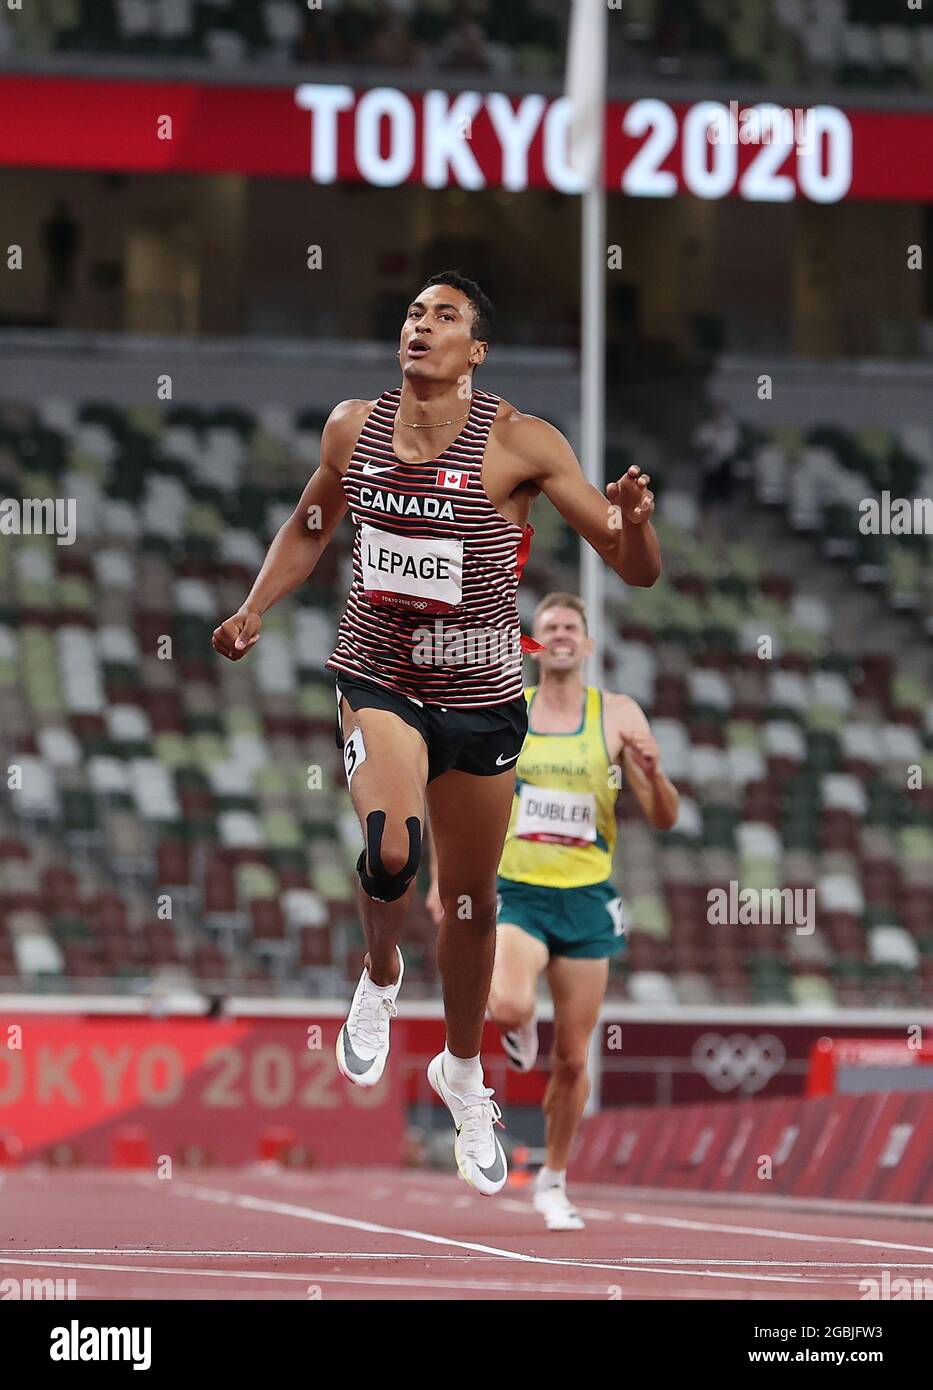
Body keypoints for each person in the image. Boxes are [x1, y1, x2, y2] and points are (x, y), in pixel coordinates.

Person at [212, 272, 660, 1195]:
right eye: (413, 312)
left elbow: (629, 563)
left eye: (443, 316)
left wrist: (639, 525)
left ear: (476, 350)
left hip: (486, 696)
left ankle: (461, 1074)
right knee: (388, 850)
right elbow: (310, 522)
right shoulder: (351, 428)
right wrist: (256, 607)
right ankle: (378, 978)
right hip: (379, 677)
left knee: (471, 906)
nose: (421, 326)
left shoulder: (520, 443)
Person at [428, 593, 679, 1228]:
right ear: (533, 644)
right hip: (518, 890)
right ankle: (518, 1026)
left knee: (572, 1059)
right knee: (509, 1005)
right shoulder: (507, 710)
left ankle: (554, 1180)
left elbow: (664, 816)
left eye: (572, 626)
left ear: (588, 645)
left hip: (589, 898)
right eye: (549, 627)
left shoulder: (618, 715)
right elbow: (454, 796)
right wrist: (442, 876)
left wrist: (652, 774)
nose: (561, 635)